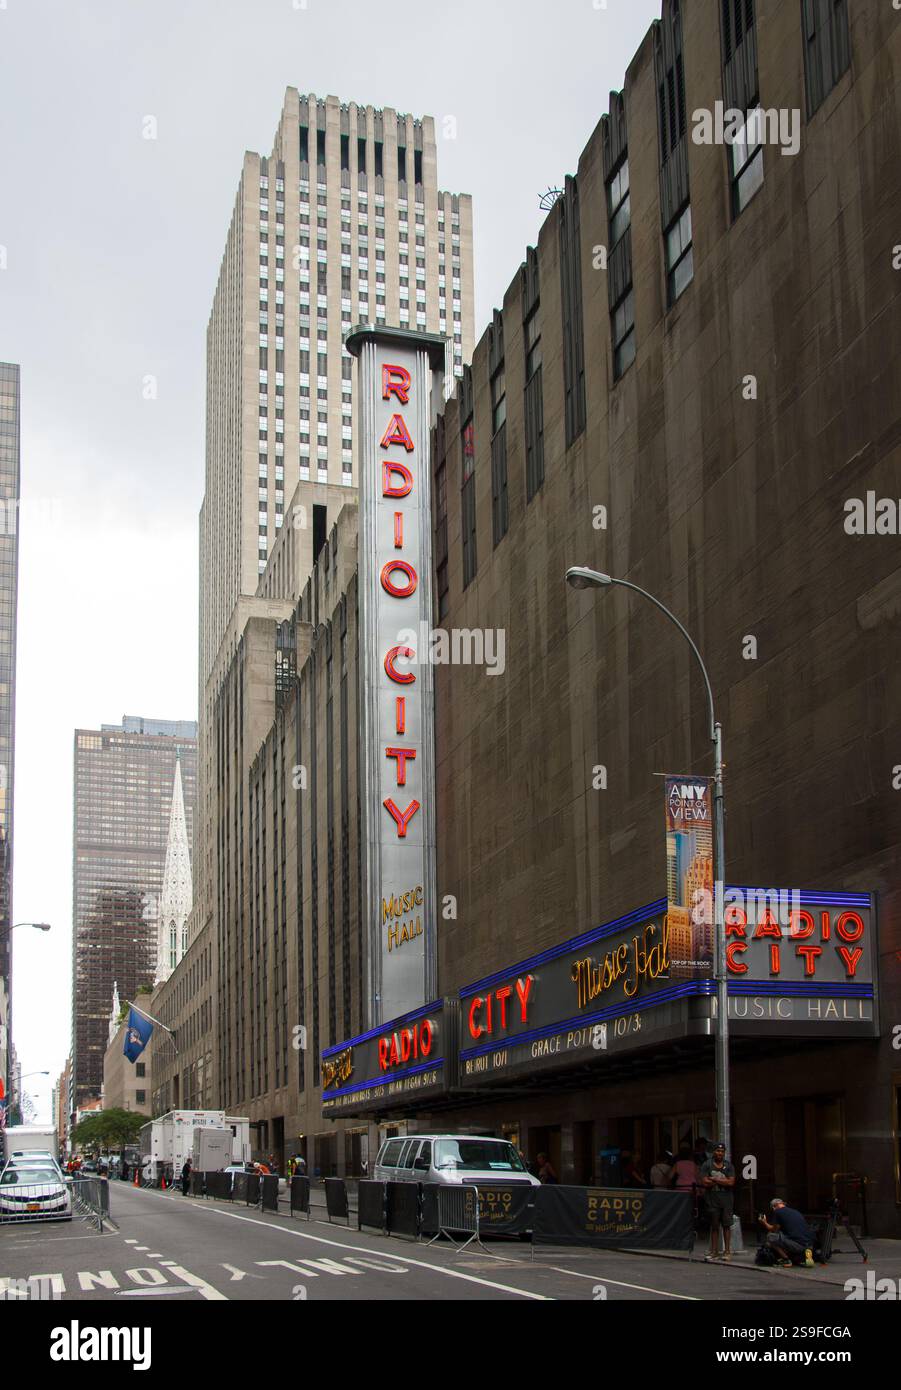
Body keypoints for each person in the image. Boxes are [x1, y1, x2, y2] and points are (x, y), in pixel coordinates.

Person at [700, 1142, 736, 1261]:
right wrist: (722, 1180)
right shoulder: (707, 1164)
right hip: (712, 1200)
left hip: (727, 1200)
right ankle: (714, 1251)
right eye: (718, 1151)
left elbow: (731, 1182)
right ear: (713, 1152)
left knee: (727, 1225)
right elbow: (704, 1182)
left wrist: (714, 1179)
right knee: (714, 1226)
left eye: (722, 1151)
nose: (720, 1153)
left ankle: (727, 1251)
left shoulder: (729, 1165)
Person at [760, 1199, 816, 1268]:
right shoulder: (795, 1211)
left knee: (770, 1236)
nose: (773, 1210)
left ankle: (786, 1260)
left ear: (774, 1206)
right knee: (786, 1237)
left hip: (798, 1245)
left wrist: (764, 1222)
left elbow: (774, 1230)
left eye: (772, 1208)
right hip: (809, 1244)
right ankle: (805, 1255)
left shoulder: (777, 1212)